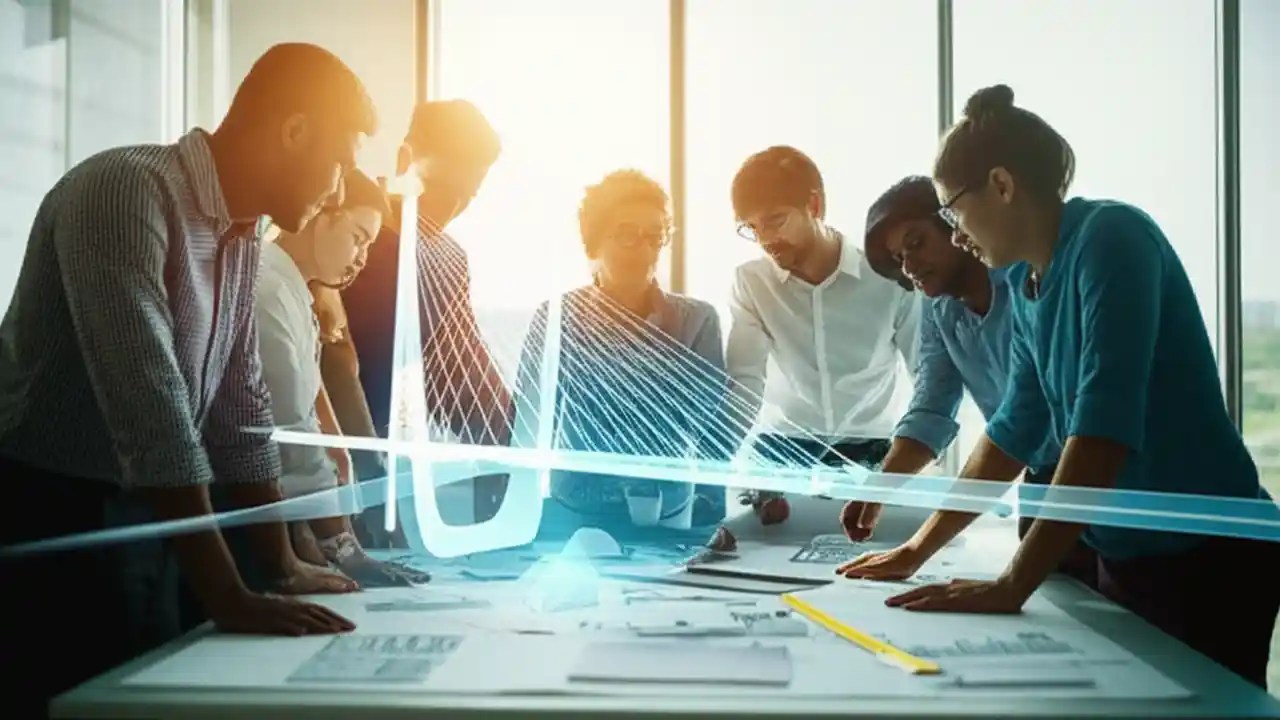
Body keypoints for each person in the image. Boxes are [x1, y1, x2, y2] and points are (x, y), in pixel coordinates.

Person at [840, 84, 1280, 689]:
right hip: (1124, 554)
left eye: (951, 211)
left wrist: (1013, 582)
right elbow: (1015, 429)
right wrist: (918, 549)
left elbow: (1101, 433)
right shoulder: (1025, 283)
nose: (956, 233)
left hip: (1209, 554)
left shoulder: (1112, 239)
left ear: (1001, 184)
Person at [0, 42, 366, 716]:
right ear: (295, 131)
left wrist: (281, 562)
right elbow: (152, 406)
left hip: (153, 512)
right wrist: (230, 593)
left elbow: (240, 407)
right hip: (57, 513)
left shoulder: (243, 232)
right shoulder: (124, 190)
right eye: (341, 157)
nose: (340, 186)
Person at [836, 175, 1094, 587]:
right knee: (1063, 609)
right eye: (900, 259)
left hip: (1093, 473)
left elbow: (1021, 422)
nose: (910, 266)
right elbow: (932, 409)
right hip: (1041, 478)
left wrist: (918, 548)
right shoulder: (939, 311)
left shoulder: (1026, 281)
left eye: (916, 243)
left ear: (955, 223)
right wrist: (878, 488)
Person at [324, 99, 509, 546]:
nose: (453, 209)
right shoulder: (340, 227)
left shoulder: (448, 258)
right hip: (328, 457)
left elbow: (467, 370)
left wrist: (512, 441)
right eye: (445, 191)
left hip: (388, 460)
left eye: (470, 195)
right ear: (406, 158)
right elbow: (328, 359)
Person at [513, 170, 728, 540]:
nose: (644, 249)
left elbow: (705, 421)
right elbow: (529, 421)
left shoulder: (697, 320)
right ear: (594, 241)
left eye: (655, 237)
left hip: (669, 510)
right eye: (627, 235)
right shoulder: (555, 319)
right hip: (577, 507)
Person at [725, 146, 921, 519]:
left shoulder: (889, 277)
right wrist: (721, 458)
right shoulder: (751, 283)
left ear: (814, 205)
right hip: (781, 448)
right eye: (752, 228)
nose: (764, 239)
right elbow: (745, 378)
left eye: (774, 221)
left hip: (875, 447)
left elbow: (925, 372)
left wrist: (918, 452)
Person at [255, 167, 429, 586]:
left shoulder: (294, 289)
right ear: (321, 213)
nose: (363, 257)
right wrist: (343, 548)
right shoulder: (270, 290)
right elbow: (293, 433)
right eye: (357, 237)